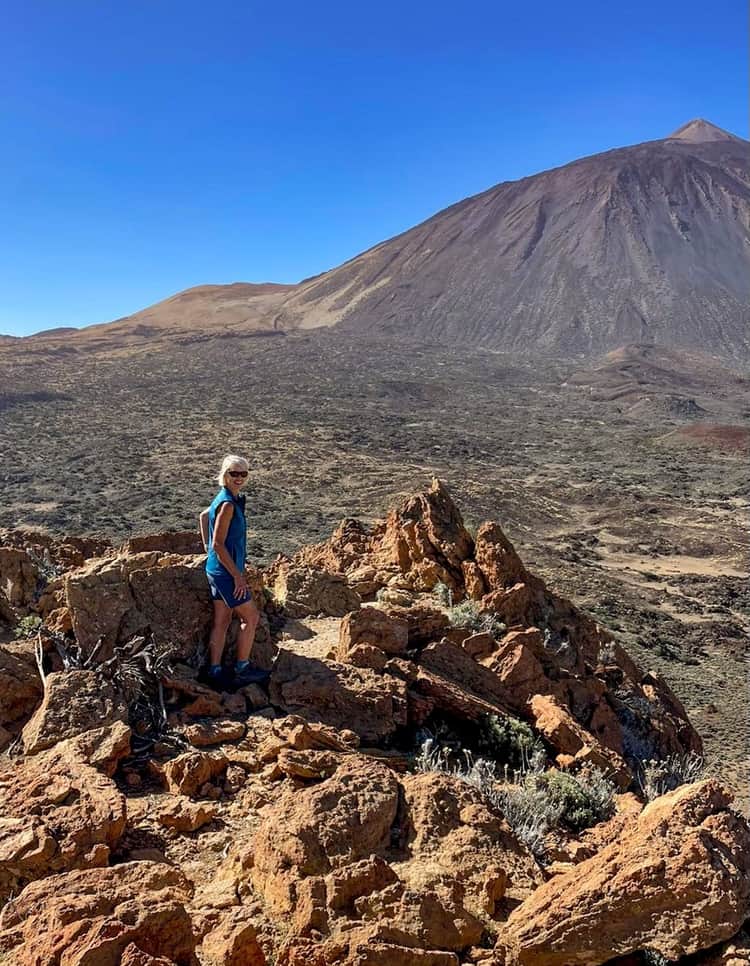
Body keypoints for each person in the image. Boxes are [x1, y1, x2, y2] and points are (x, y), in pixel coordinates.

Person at [199, 454, 269, 689]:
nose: (239, 478)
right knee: (251, 617)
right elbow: (219, 544)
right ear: (224, 475)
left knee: (223, 619)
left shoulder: (227, 499)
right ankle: (242, 668)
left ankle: (215, 670)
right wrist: (238, 576)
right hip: (226, 573)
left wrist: (206, 548)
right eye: (234, 473)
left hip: (216, 570)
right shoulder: (228, 504)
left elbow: (203, 516)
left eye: (243, 473)